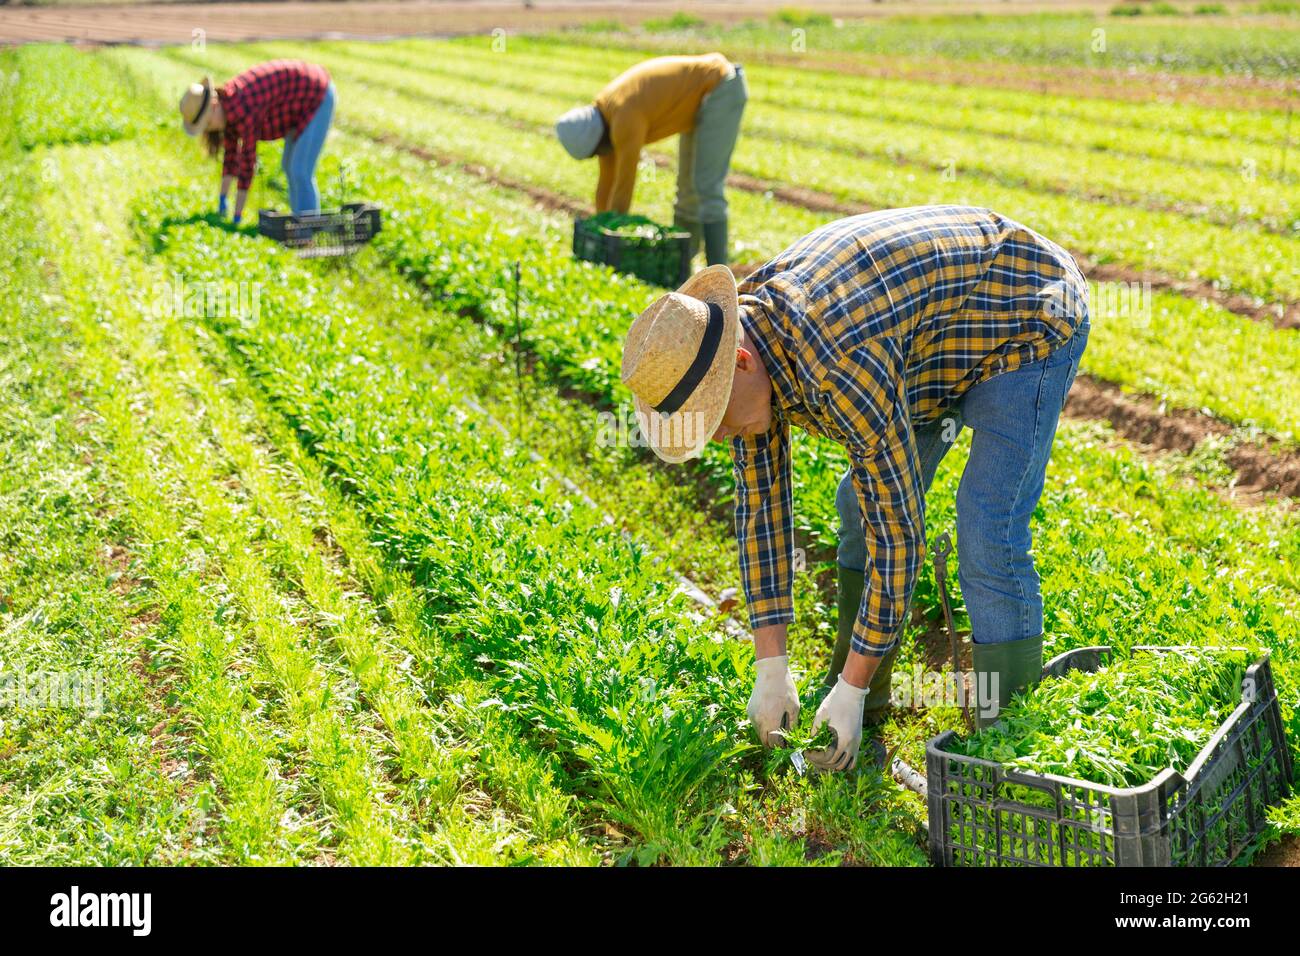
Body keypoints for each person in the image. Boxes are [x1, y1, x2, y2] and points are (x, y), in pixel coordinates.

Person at [619, 205, 1090, 771]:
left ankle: (1008, 739)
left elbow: (900, 536)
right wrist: (771, 668)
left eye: (715, 417)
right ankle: (866, 686)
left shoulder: (838, 359)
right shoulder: (734, 359)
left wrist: (851, 688)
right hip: (927, 345)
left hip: (1023, 313)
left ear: (740, 365)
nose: (720, 435)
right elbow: (762, 515)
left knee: (986, 521)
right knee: (853, 501)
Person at [554, 53, 747, 266]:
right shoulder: (604, 117)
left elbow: (623, 187)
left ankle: (719, 270)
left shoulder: (624, 117)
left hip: (721, 87)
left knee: (705, 185)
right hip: (699, 99)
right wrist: (601, 221)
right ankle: (683, 263)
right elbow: (606, 183)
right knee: (686, 188)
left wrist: (611, 234)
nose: (599, 156)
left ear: (597, 140)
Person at [178, 60, 335, 223]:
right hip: (297, 100)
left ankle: (308, 231)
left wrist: (237, 216)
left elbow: (247, 164)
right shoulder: (229, 107)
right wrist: (223, 197)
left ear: (214, 104)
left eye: (208, 123)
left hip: (316, 93)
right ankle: (301, 224)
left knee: (300, 170)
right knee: (289, 166)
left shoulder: (243, 108)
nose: (212, 130)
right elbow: (230, 157)